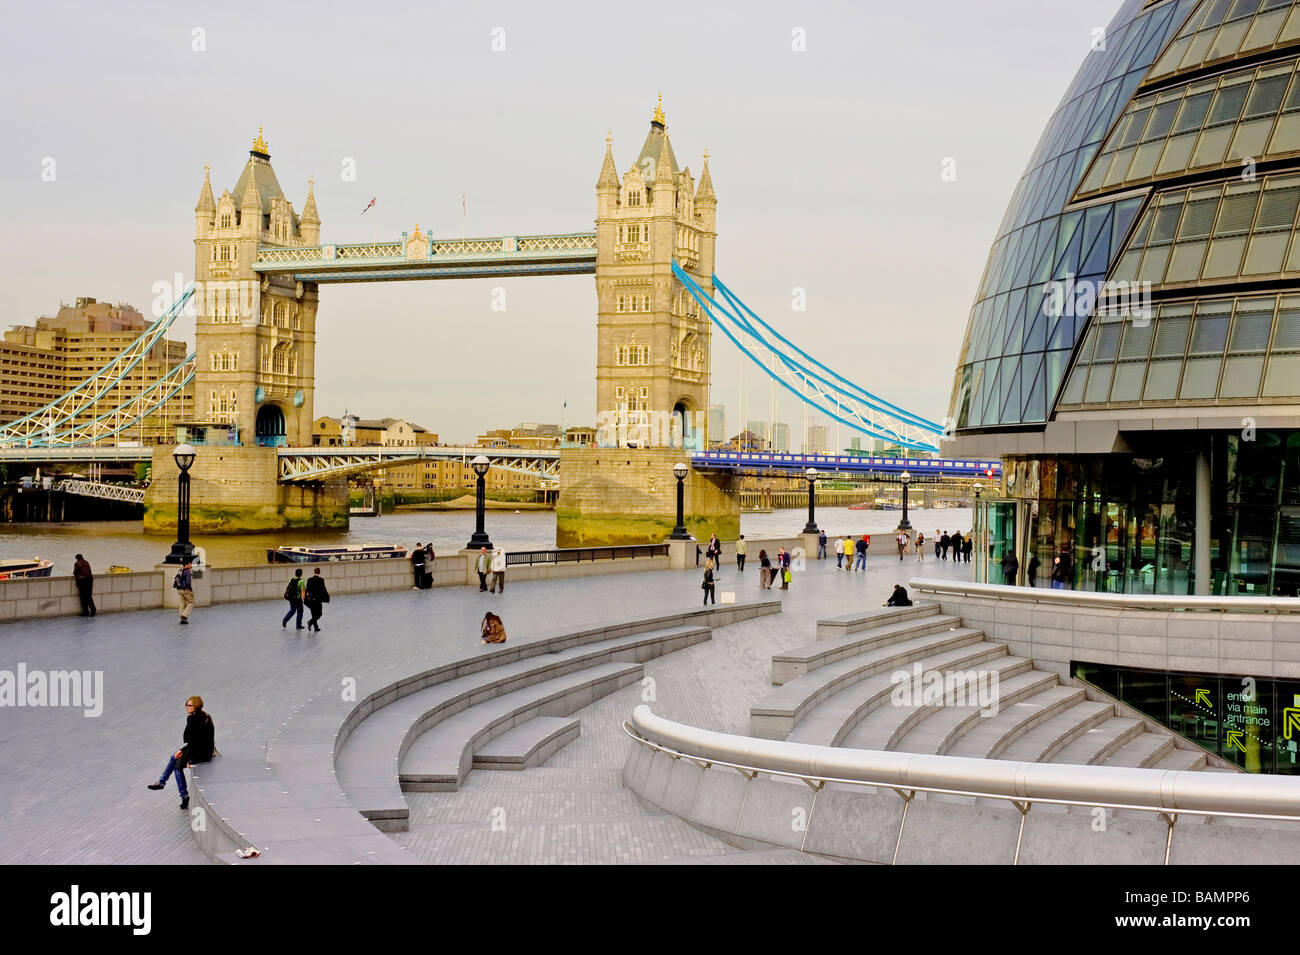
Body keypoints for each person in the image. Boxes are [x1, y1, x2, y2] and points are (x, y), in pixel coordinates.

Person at [146, 695, 214, 811]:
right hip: (205, 750)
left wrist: (191, 759)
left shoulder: (192, 719)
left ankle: (183, 795)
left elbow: (195, 741)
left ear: (196, 706)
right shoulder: (206, 716)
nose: (186, 707)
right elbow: (202, 740)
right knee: (174, 757)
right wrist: (182, 751)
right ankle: (161, 782)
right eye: (186, 705)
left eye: (189, 705)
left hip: (199, 752)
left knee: (177, 766)